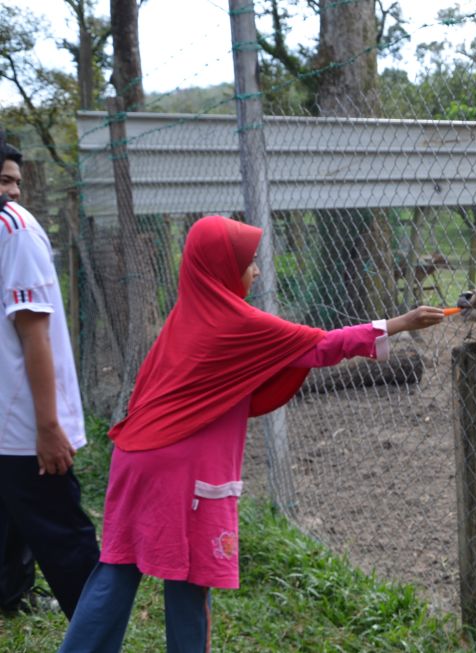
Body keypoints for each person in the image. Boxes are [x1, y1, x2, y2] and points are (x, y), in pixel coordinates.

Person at [59, 214, 446, 652]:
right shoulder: (234, 321)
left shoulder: (185, 314)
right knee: (189, 584)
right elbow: (317, 345)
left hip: (134, 458)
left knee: (116, 569)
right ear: (222, 266)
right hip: (183, 470)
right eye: (249, 261)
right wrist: (398, 323)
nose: (257, 270)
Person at [0, 143, 100, 618]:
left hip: (24, 423)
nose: (14, 191)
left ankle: (96, 627)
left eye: (15, 180)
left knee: (61, 532)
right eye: (4, 180)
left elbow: (33, 331)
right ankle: (9, 595)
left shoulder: (14, 231)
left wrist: (47, 426)